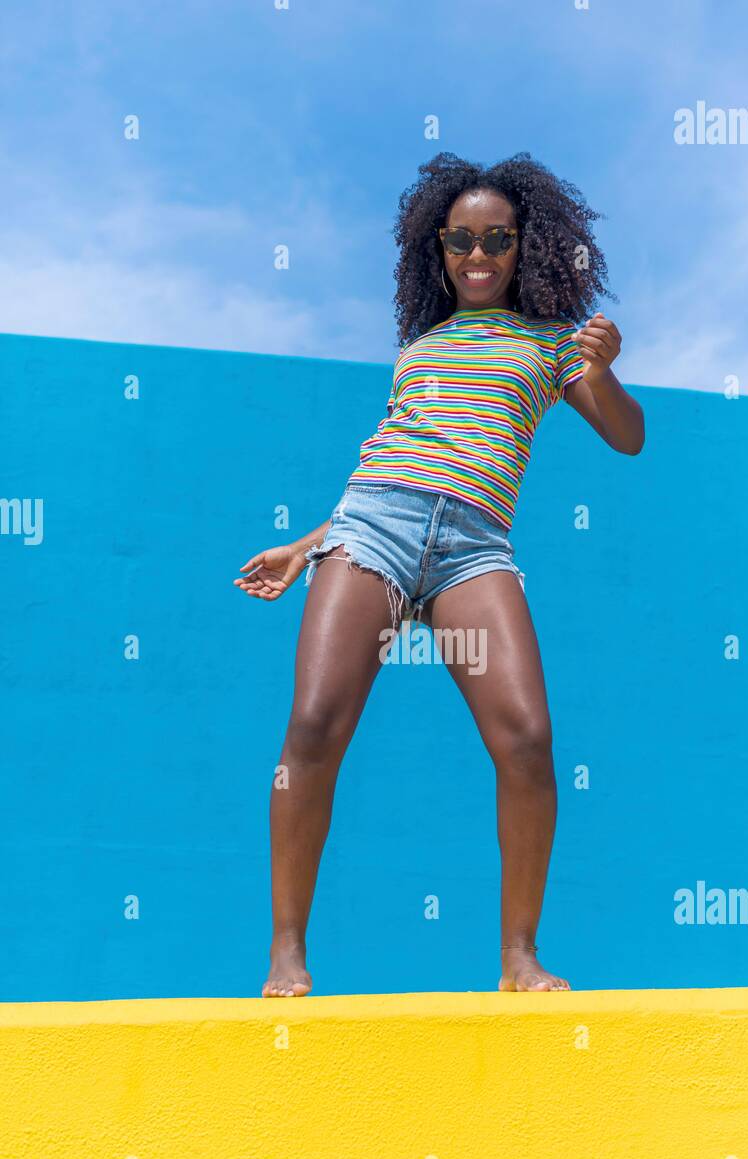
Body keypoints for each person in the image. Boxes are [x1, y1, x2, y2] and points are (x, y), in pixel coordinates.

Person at [234, 152, 644, 997]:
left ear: (526, 245)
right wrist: (306, 546)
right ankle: (285, 953)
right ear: (440, 247)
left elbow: (629, 436)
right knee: (312, 728)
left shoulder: (553, 344)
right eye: (461, 238)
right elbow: (396, 460)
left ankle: (519, 959)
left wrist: (604, 369)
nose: (479, 252)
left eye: (498, 236)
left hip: (474, 548)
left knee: (527, 740)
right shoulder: (419, 345)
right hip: (370, 530)